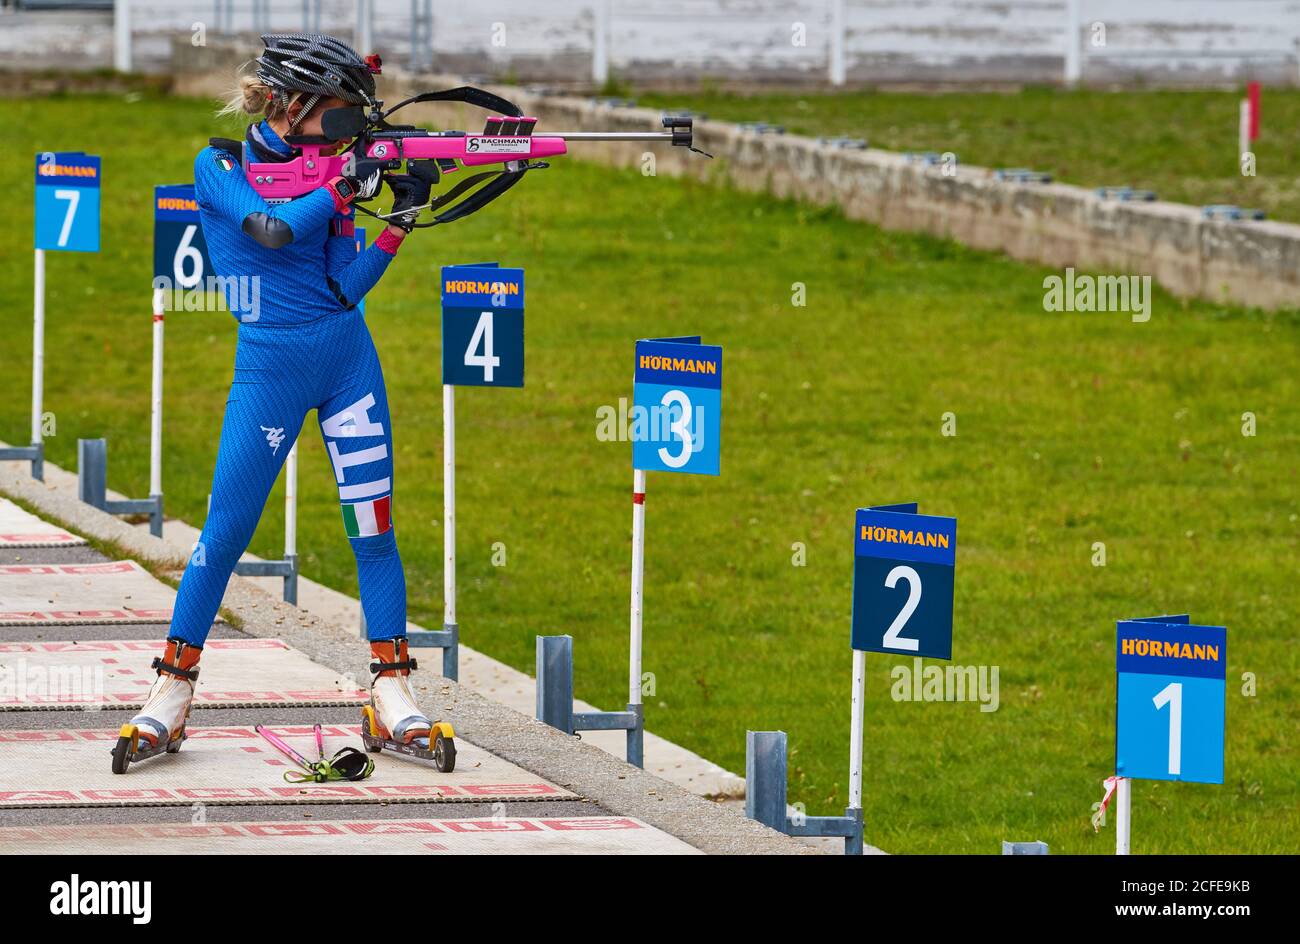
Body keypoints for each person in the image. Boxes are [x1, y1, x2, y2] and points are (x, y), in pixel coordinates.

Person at [113, 35, 434, 771]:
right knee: (224, 535)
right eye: (344, 115)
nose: (355, 129)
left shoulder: (331, 172)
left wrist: (400, 219)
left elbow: (339, 290)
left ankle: (391, 691)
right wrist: (346, 186)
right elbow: (271, 226)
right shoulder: (219, 163)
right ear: (294, 106)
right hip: (269, 373)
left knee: (374, 528)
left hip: (349, 362)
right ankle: (171, 691)